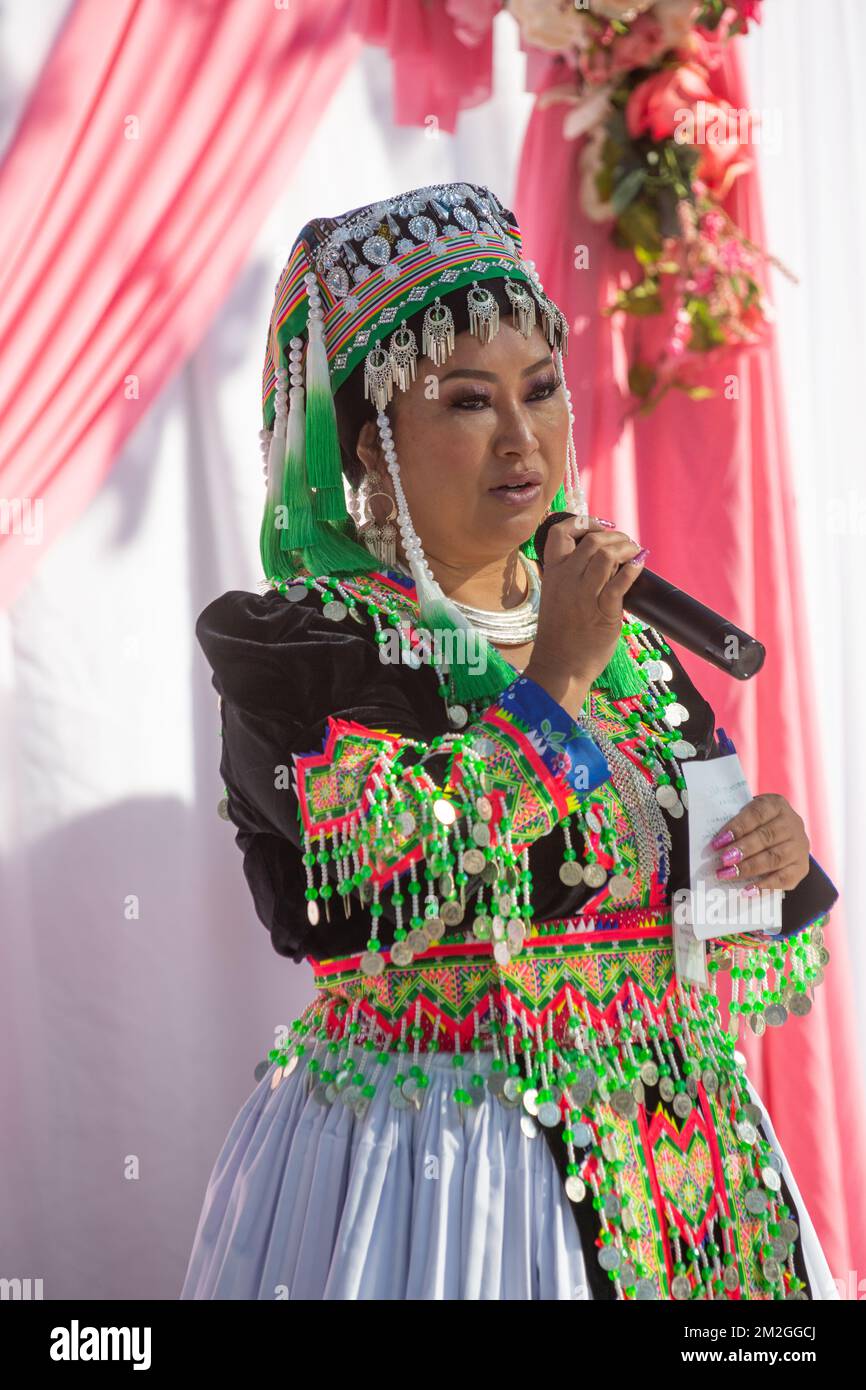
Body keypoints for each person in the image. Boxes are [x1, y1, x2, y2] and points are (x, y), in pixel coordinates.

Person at [180, 181, 839, 1301]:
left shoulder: (617, 638)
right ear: (369, 439)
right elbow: (366, 884)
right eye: (466, 401)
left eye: (540, 390)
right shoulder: (310, 650)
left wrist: (759, 860)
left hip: (679, 1158)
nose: (520, 437)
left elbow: (718, 920)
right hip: (440, 1170)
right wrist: (551, 686)